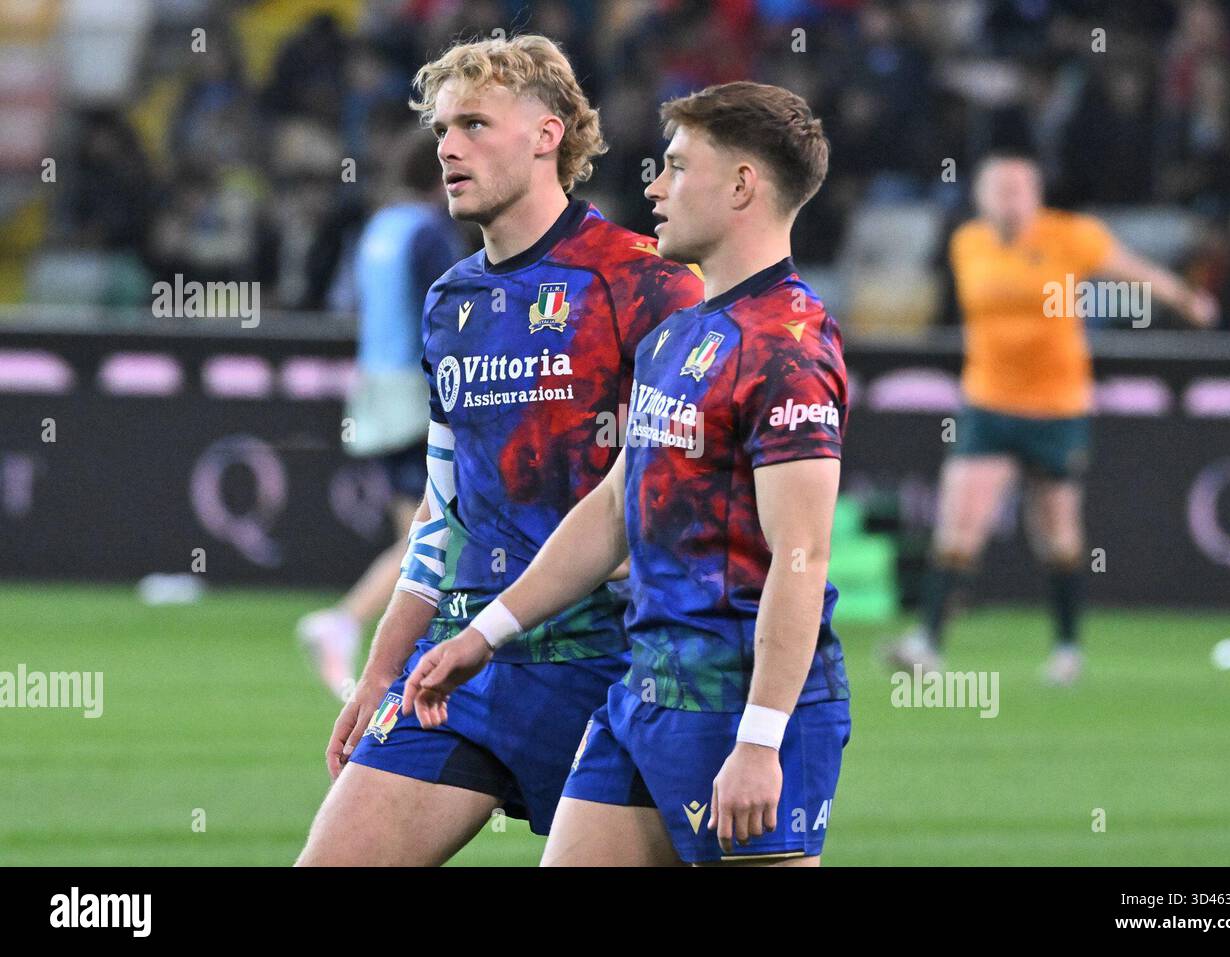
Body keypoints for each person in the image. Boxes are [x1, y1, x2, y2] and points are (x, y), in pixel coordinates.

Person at [403, 82, 850, 866]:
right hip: (642, 695)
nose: (654, 186)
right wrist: (485, 632)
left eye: (676, 168)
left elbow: (801, 557)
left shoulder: (790, 346)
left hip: (736, 706)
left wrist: (760, 740)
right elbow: (612, 508)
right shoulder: (676, 337)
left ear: (742, 185)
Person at [295, 34, 701, 865]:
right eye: (442, 128)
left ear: (549, 133)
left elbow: (686, 492)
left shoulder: (648, 281)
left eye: (474, 123)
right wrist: (380, 670)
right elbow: (441, 514)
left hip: (618, 669)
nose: (447, 146)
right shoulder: (451, 301)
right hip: (465, 665)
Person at [885, 154, 1218, 685]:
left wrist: (1184, 298)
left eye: (1017, 187)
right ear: (979, 196)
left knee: (1056, 533)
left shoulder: (1072, 236)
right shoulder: (967, 242)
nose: (1007, 197)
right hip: (988, 403)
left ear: (1036, 193)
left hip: (1057, 408)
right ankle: (927, 644)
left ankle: (1067, 649)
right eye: (997, 187)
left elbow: (1135, 272)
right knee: (958, 524)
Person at [296, 131, 464, 699]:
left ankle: (376, 631)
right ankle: (347, 620)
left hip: (374, 386)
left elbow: (352, 303)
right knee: (430, 531)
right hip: (417, 393)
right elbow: (446, 313)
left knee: (414, 527)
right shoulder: (429, 232)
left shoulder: (380, 228)